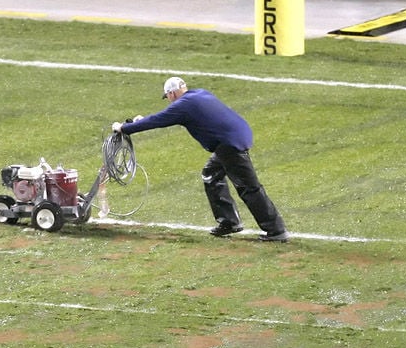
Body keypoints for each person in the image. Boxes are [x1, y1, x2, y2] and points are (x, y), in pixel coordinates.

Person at [112, 77, 291, 242]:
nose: (169, 100)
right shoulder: (200, 93)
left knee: (249, 188)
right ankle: (229, 222)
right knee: (211, 174)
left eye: (167, 97)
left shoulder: (182, 106)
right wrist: (137, 123)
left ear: (172, 93)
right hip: (236, 136)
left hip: (229, 144)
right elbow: (159, 118)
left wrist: (124, 128)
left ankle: (276, 231)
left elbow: (157, 120)